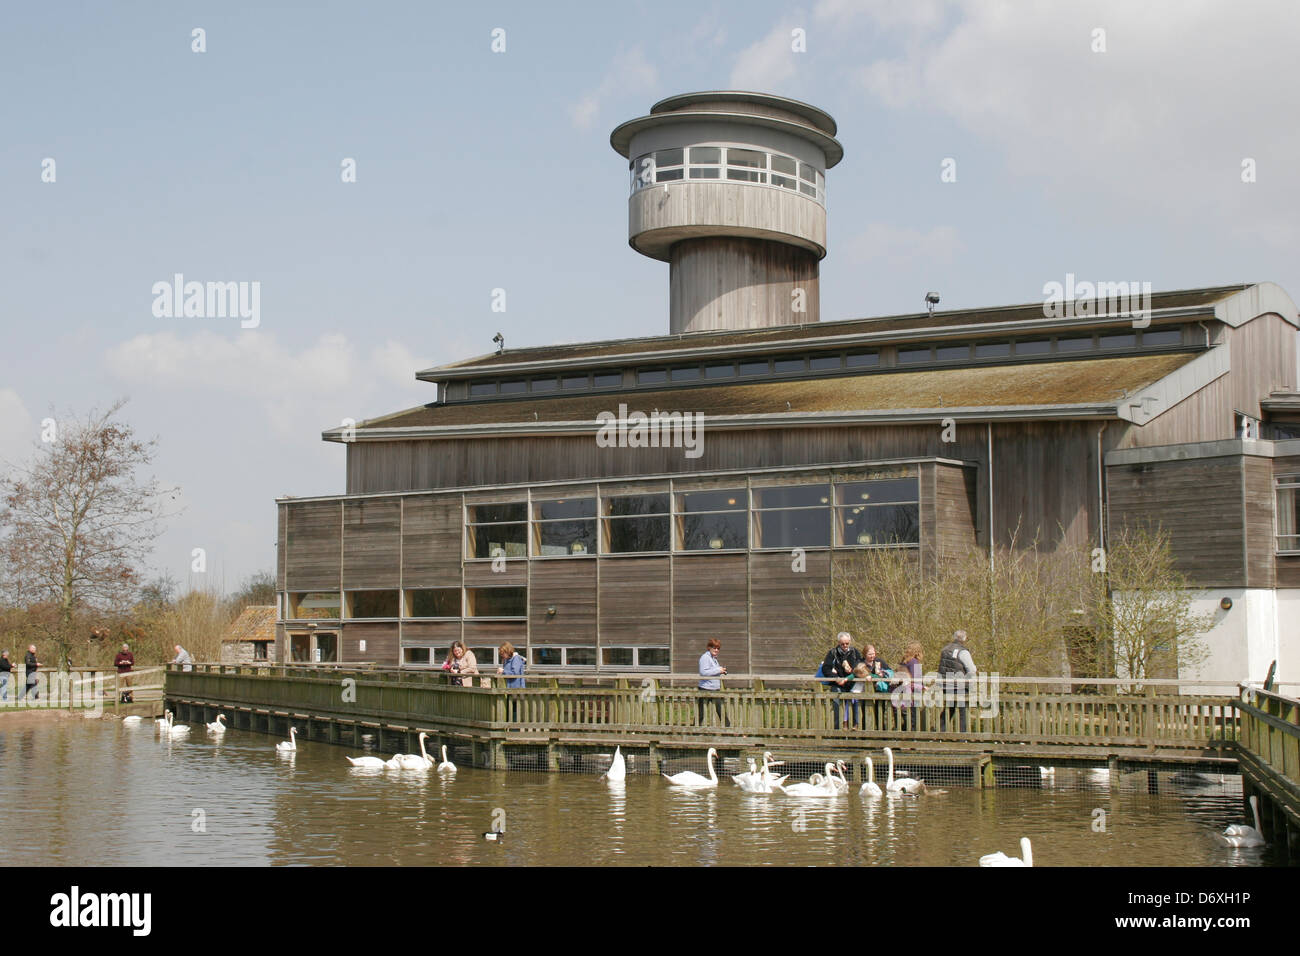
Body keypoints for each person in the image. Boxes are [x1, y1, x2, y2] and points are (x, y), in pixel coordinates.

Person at [821, 632, 864, 729]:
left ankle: (855, 728)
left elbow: (860, 666)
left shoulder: (855, 652)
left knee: (855, 704)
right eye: (842, 644)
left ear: (850, 642)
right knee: (837, 705)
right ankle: (838, 730)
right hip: (838, 684)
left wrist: (852, 670)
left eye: (847, 643)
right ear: (839, 643)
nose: (845, 646)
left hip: (852, 684)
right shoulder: (833, 653)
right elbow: (826, 668)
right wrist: (835, 678)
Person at [938, 630, 976, 733]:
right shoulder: (963, 651)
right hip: (960, 685)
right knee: (963, 712)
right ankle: (963, 737)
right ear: (964, 638)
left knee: (949, 709)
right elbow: (972, 669)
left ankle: (940, 734)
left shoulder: (945, 649)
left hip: (946, 684)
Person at [697, 638, 729, 727]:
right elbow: (703, 672)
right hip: (705, 688)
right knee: (701, 713)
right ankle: (693, 731)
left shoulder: (714, 659)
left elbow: (713, 670)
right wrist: (719, 670)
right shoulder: (705, 657)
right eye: (714, 648)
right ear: (709, 647)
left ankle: (728, 728)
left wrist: (721, 670)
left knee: (721, 711)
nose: (716, 650)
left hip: (715, 689)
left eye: (718, 648)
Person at [862, 644, 894, 729]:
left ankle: (881, 729)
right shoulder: (861, 663)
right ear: (865, 654)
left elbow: (890, 671)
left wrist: (882, 673)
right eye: (870, 654)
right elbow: (857, 673)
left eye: (873, 653)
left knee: (880, 710)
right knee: (865, 710)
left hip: (879, 689)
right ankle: (866, 731)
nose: (872, 656)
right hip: (865, 690)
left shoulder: (879, 661)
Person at [894, 642, 924, 731]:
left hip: (902, 693)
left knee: (906, 718)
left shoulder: (904, 662)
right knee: (913, 720)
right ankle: (912, 740)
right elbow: (916, 680)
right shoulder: (914, 662)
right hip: (912, 694)